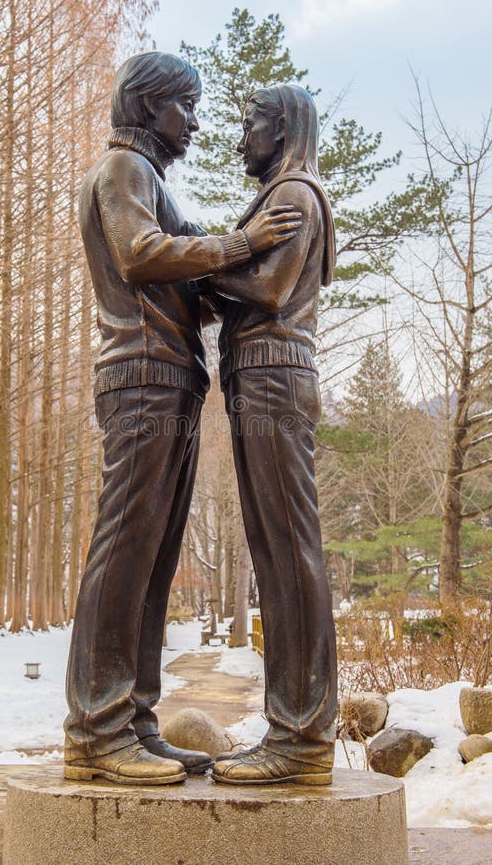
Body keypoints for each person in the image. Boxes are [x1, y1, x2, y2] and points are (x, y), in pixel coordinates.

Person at [64, 52, 301, 786]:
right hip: (141, 376)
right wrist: (242, 244)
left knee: (153, 558)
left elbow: (177, 269)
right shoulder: (124, 172)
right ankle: (96, 731)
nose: (195, 124)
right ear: (146, 105)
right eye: (186, 107)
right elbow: (141, 255)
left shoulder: (149, 180)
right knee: (125, 551)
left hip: (166, 378)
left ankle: (132, 720)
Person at [206, 84, 338, 786]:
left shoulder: (292, 194)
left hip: (274, 376)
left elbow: (269, 288)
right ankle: (295, 725)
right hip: (259, 374)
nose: (238, 141)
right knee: (276, 548)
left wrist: (199, 262)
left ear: (281, 126)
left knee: (289, 550)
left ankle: (303, 734)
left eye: (249, 124)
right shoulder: (280, 193)